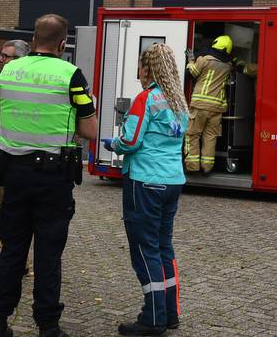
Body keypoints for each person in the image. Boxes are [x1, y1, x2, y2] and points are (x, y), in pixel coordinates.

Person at [0, 14, 98, 337]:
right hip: (53, 177)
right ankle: (48, 326)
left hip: (13, 174)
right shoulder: (71, 75)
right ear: (63, 43)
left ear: (33, 39)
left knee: (13, 250)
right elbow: (89, 130)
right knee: (48, 253)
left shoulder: (7, 72)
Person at [107, 43, 189, 336]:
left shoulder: (147, 98)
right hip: (172, 182)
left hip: (145, 182)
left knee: (144, 249)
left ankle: (152, 318)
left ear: (147, 68)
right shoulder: (179, 101)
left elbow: (130, 142)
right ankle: (169, 312)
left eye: (140, 67)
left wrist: (111, 143)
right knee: (163, 247)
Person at [0, 39, 30, 273]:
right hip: (2, 156)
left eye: (6, 56)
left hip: (17, 160)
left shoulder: (16, 85)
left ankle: (13, 263)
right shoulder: (1, 82)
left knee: (8, 212)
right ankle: (10, 258)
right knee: (0, 210)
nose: (0, 60)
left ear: (20, 59)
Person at [184, 35, 256, 175]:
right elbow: (240, 67)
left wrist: (191, 59)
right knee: (210, 138)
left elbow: (191, 73)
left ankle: (192, 168)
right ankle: (207, 167)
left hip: (200, 105)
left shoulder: (204, 60)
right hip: (217, 108)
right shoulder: (228, 65)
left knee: (192, 135)